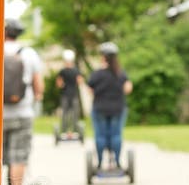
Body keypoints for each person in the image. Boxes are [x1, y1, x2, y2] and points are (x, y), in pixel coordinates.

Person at [2, 18, 44, 185]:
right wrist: (37, 97)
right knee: (18, 157)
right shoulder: (29, 53)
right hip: (22, 113)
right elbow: (38, 85)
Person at [87, 41, 132, 170]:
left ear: (103, 57)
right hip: (117, 108)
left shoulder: (97, 74)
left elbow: (90, 90)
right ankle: (117, 162)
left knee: (100, 135)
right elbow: (128, 88)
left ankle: (100, 163)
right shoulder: (120, 73)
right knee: (116, 135)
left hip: (100, 108)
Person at [56, 49, 83, 136]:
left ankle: (64, 131)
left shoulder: (62, 71)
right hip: (74, 95)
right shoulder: (76, 70)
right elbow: (80, 82)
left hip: (65, 95)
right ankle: (75, 131)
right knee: (75, 114)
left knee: (65, 114)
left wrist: (64, 84)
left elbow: (59, 84)